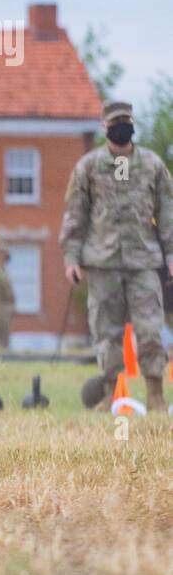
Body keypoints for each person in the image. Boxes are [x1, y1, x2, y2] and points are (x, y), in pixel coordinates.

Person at [59, 100, 173, 411]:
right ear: (104, 127)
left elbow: (167, 214)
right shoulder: (88, 167)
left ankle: (155, 396)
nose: (121, 127)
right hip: (102, 262)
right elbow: (75, 215)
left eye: (125, 121)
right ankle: (112, 392)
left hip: (144, 261)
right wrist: (71, 257)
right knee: (106, 331)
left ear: (132, 125)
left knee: (150, 327)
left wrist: (171, 252)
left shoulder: (152, 165)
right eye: (115, 122)